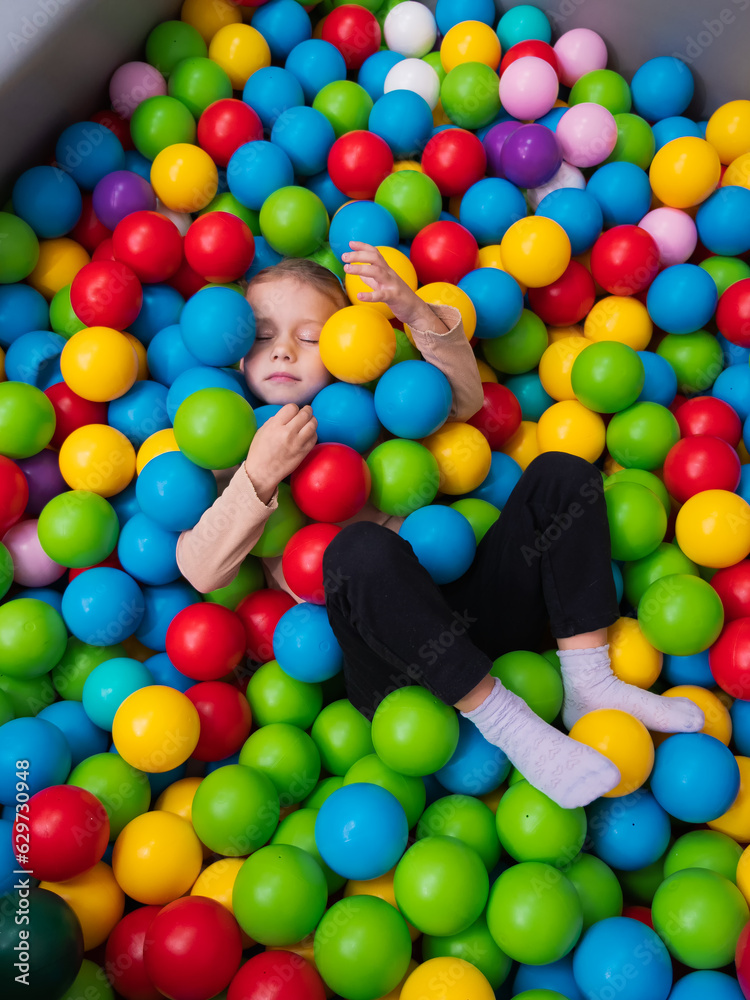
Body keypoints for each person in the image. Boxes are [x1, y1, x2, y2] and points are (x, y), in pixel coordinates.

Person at [177, 242, 704, 810]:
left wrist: (412, 311)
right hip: (396, 669)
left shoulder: (370, 405)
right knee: (356, 549)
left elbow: (464, 400)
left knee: (561, 474)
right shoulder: (229, 452)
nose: (283, 351)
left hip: (472, 611)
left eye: (309, 339)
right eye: (262, 337)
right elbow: (201, 569)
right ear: (233, 354)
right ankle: (512, 726)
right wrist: (259, 473)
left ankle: (589, 682)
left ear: (345, 349)